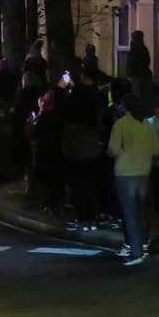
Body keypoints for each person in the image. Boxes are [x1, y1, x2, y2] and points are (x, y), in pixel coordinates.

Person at [107, 93, 159, 266]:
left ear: (125, 107)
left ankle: (135, 252)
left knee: (130, 214)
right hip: (144, 172)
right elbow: (156, 149)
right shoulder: (148, 124)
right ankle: (143, 245)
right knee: (141, 212)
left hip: (125, 173)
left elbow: (113, 150)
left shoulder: (120, 124)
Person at [62, 67, 104, 226]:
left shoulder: (76, 95)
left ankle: (82, 214)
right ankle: (91, 213)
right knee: (90, 179)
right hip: (91, 140)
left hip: (77, 140)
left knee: (78, 180)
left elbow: (66, 109)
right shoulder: (96, 95)